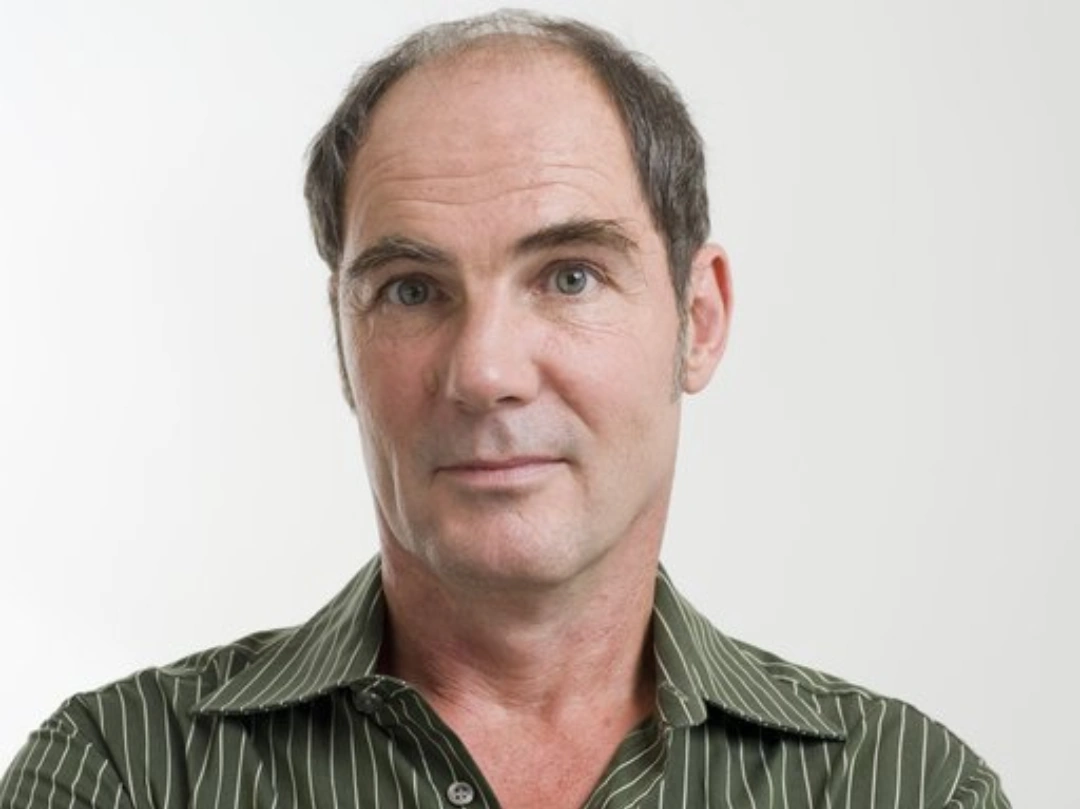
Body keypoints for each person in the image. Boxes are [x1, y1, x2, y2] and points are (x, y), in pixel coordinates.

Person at [0, 11, 1009, 809]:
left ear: (698, 320)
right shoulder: (125, 773)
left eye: (570, 275)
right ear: (343, 342)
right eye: (411, 289)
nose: (485, 372)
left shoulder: (906, 787)